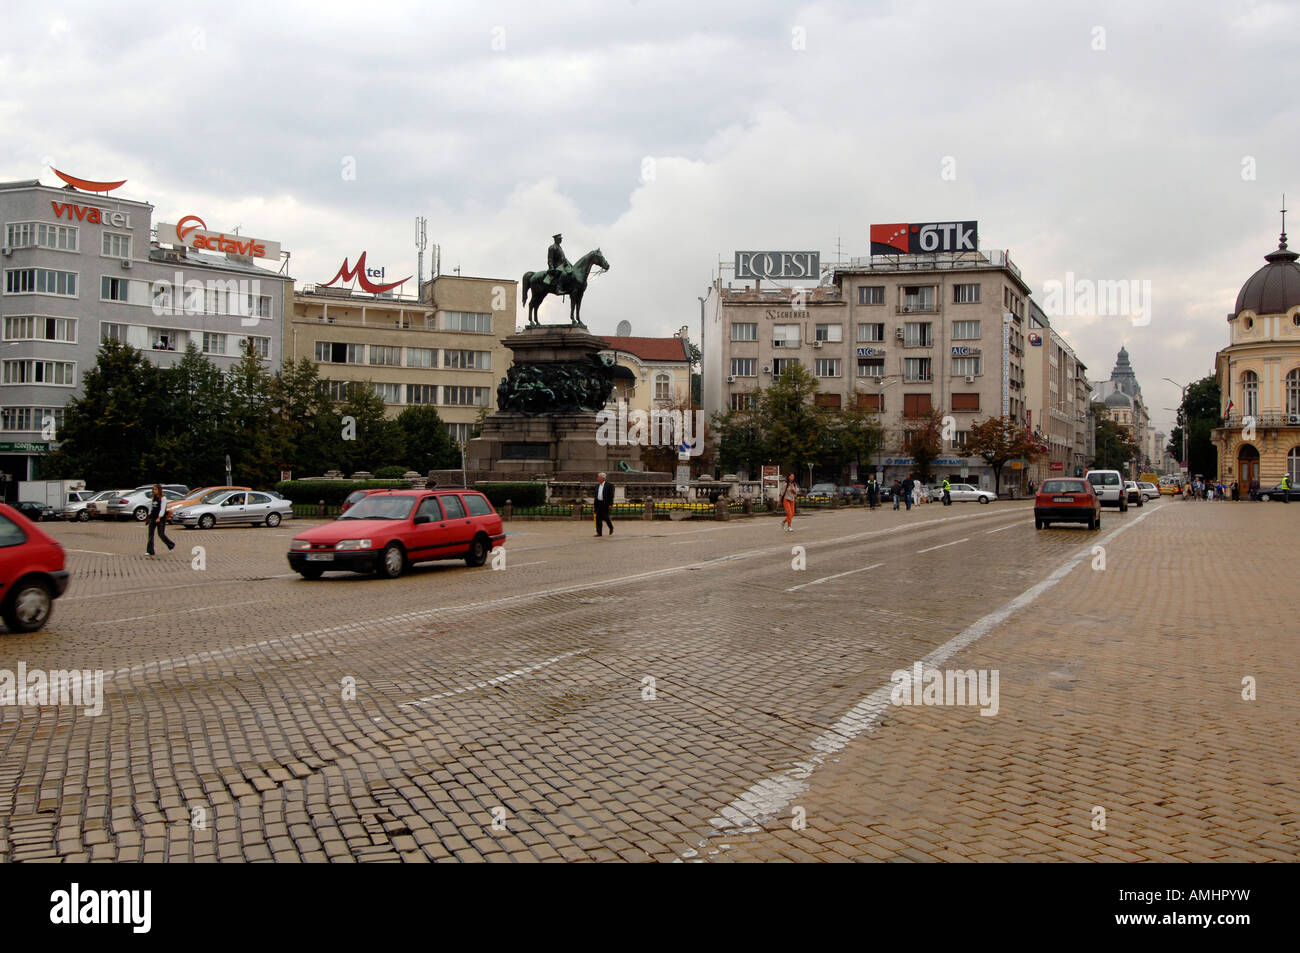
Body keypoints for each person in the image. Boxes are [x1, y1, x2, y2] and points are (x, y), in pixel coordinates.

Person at [144, 484, 175, 557]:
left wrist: (159, 517)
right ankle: (150, 551)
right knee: (150, 534)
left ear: (159, 490)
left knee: (161, 534)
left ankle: (171, 545)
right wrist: (148, 517)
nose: (153, 491)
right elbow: (151, 507)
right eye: (153, 489)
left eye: (155, 489)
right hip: (152, 517)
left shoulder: (163, 498)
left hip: (160, 519)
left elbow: (162, 508)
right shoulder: (153, 498)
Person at [593, 472, 614, 536]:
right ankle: (599, 532)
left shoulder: (609, 485)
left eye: (599, 477)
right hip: (598, 503)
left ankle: (611, 527)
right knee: (598, 518)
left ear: (603, 478)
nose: (597, 478)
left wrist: (610, 504)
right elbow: (595, 496)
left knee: (606, 517)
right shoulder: (597, 486)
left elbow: (611, 496)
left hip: (605, 504)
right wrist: (594, 505)